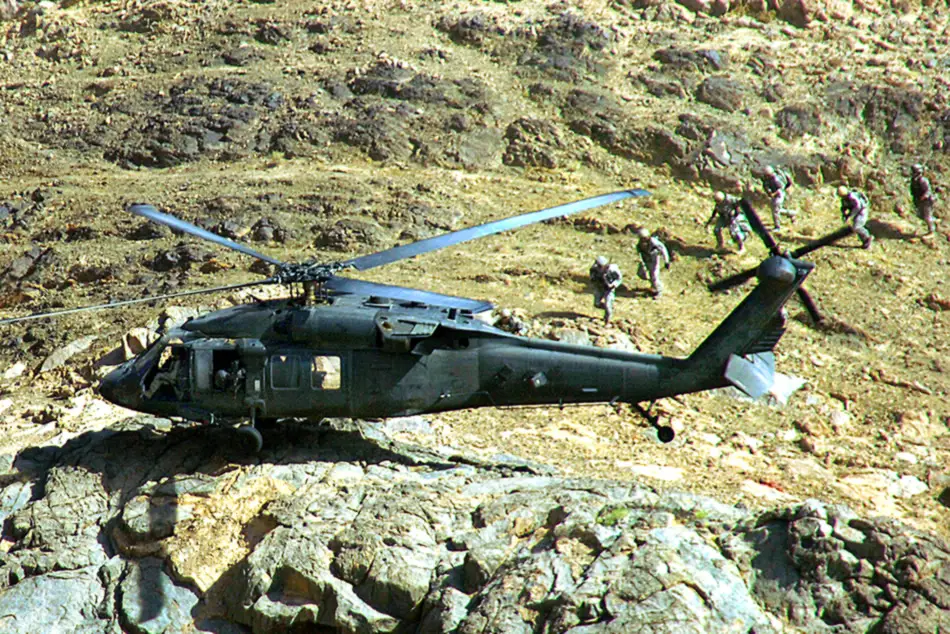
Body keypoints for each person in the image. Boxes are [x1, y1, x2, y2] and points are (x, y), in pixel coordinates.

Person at [636, 228, 671, 297]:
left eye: (644, 238)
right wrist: (641, 262)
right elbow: (639, 253)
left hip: (654, 260)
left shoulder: (654, 242)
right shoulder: (639, 245)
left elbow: (663, 250)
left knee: (654, 276)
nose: (643, 240)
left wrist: (666, 261)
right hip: (646, 260)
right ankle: (653, 285)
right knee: (641, 274)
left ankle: (659, 290)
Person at [761, 165, 796, 230]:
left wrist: (773, 194)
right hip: (776, 195)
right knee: (777, 210)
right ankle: (791, 213)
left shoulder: (775, 179)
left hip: (779, 195)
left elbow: (780, 189)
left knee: (775, 211)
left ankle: (777, 227)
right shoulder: (768, 180)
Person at [589, 256, 622, 323]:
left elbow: (619, 279)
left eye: (600, 266)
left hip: (609, 289)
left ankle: (607, 320)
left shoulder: (612, 270)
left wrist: (613, 285)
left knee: (608, 305)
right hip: (599, 288)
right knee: (597, 304)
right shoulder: (594, 269)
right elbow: (592, 278)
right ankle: (608, 308)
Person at [910, 163, 936, 235]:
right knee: (921, 216)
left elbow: (928, 191)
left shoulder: (923, 180)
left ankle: (931, 230)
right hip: (919, 200)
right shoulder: (914, 180)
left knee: (927, 216)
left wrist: (923, 197)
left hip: (926, 201)